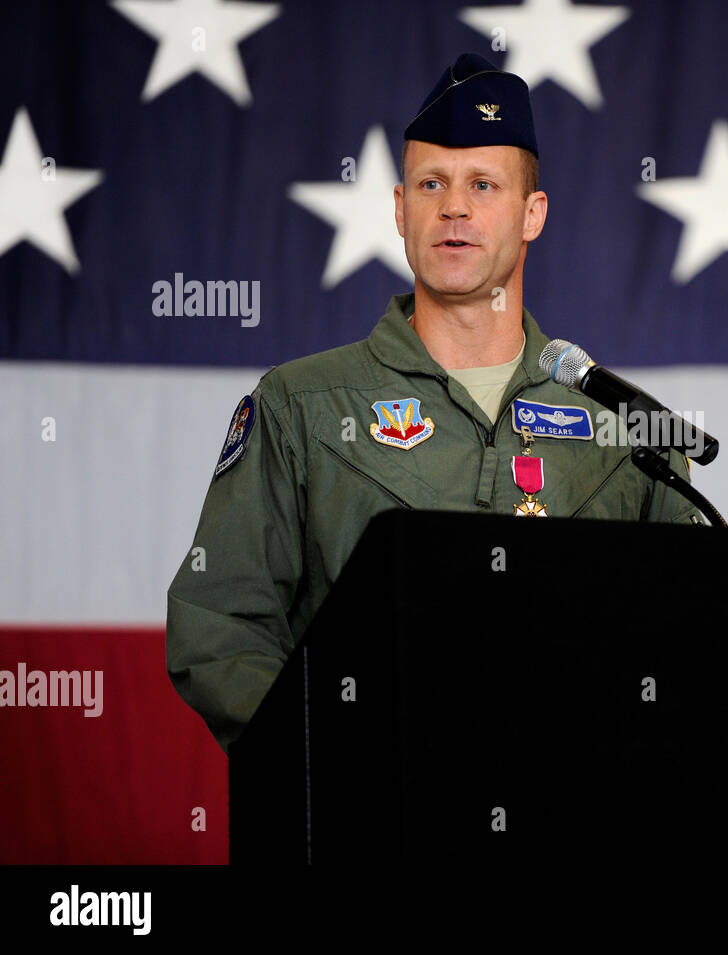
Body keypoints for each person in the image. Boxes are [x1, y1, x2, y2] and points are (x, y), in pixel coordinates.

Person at [166, 53, 700, 754]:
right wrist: (339, 751)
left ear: (532, 213)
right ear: (399, 207)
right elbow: (219, 625)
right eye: (431, 183)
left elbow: (691, 636)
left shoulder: (625, 427)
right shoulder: (301, 406)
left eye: (484, 184)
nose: (454, 207)